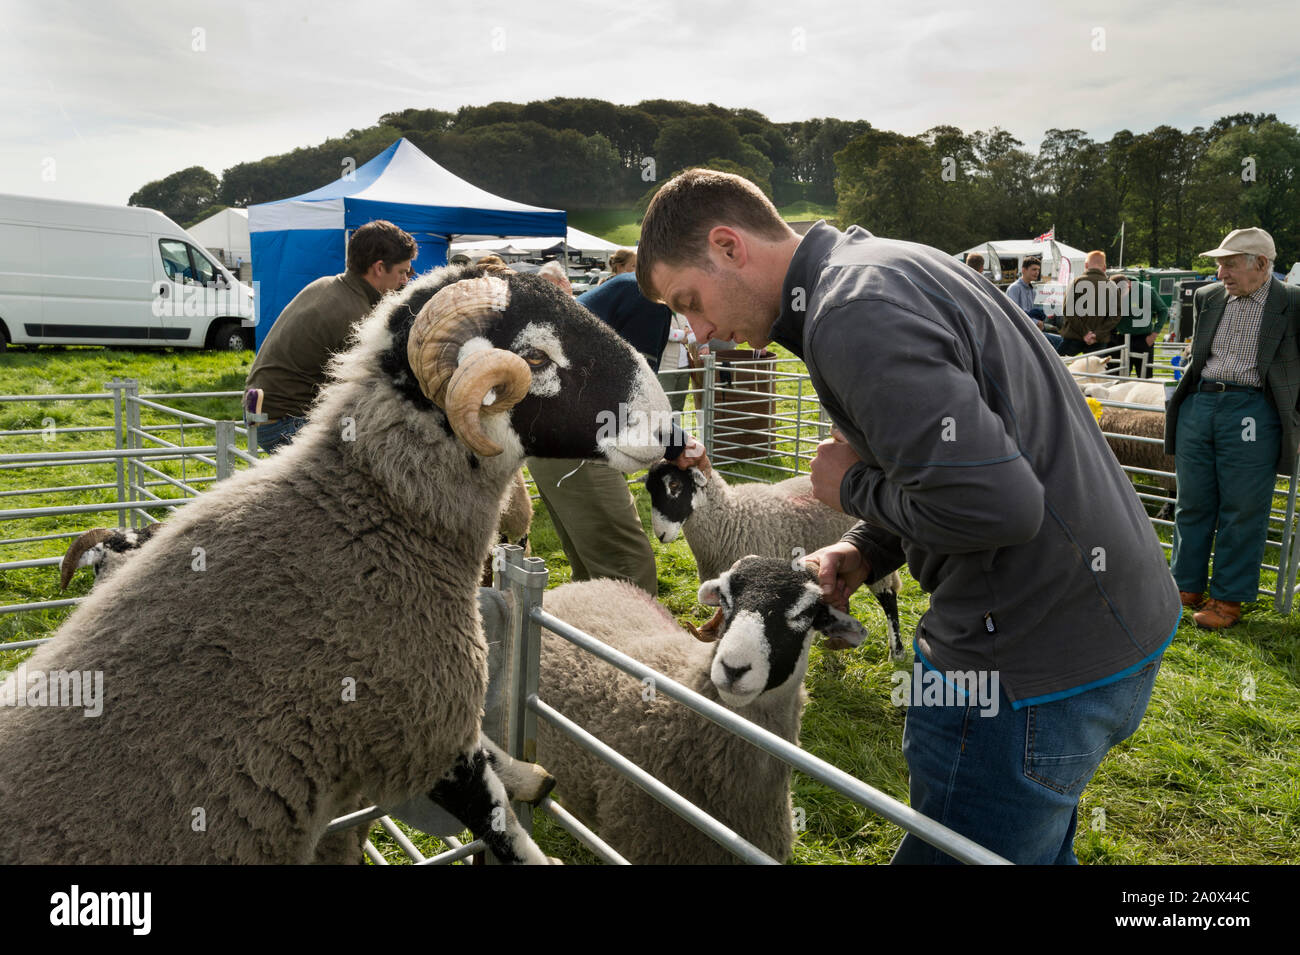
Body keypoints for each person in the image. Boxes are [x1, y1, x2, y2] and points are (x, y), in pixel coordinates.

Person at [636, 168, 1179, 865]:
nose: (700, 332)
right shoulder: (881, 267)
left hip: (1021, 665)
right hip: (1104, 632)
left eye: (691, 300)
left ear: (729, 245)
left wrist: (852, 487)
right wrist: (863, 549)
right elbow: (949, 462)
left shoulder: (852, 313)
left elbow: (1000, 505)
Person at [1164, 227, 1300, 629]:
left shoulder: (1292, 302)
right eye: (1218, 264)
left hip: (1253, 410)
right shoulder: (1208, 298)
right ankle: (1184, 586)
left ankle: (1227, 599)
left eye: (1229, 263)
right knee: (1192, 501)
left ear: (1261, 265)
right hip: (1199, 404)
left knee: (1242, 508)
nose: (1220, 272)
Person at [524, 247, 670, 596]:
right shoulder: (650, 299)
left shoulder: (620, 290)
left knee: (593, 569)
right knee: (626, 567)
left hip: (549, 436)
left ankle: (590, 643)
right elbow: (632, 392)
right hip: (578, 440)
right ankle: (637, 649)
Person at [244, 220, 415, 453]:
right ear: (378, 268)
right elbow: (368, 392)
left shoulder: (327, 284)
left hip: (263, 413)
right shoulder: (357, 318)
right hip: (286, 424)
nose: (405, 281)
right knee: (379, 453)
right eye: (402, 272)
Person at [1059, 250, 1121, 357]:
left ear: (1086, 265)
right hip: (1099, 339)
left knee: (1056, 368)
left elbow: (1068, 310)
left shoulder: (1076, 282)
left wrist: (1085, 333)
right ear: (1104, 267)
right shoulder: (1112, 287)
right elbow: (1115, 316)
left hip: (1073, 336)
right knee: (1093, 372)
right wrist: (1096, 335)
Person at [1111, 273, 1169, 378]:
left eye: (1120, 293)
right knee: (1119, 377)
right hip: (1121, 339)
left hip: (1144, 339)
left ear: (1128, 285)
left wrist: (1154, 334)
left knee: (1145, 378)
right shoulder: (1113, 290)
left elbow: (1163, 310)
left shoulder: (1147, 291)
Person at [1005, 255, 1063, 351]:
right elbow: (1014, 314)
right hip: (1020, 333)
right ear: (1023, 270)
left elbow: (1031, 313)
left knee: (1059, 339)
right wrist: (1036, 322)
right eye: (1034, 269)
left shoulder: (1032, 290)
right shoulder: (1015, 288)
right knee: (1059, 343)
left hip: (1031, 329)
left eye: (1038, 270)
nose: (1037, 272)